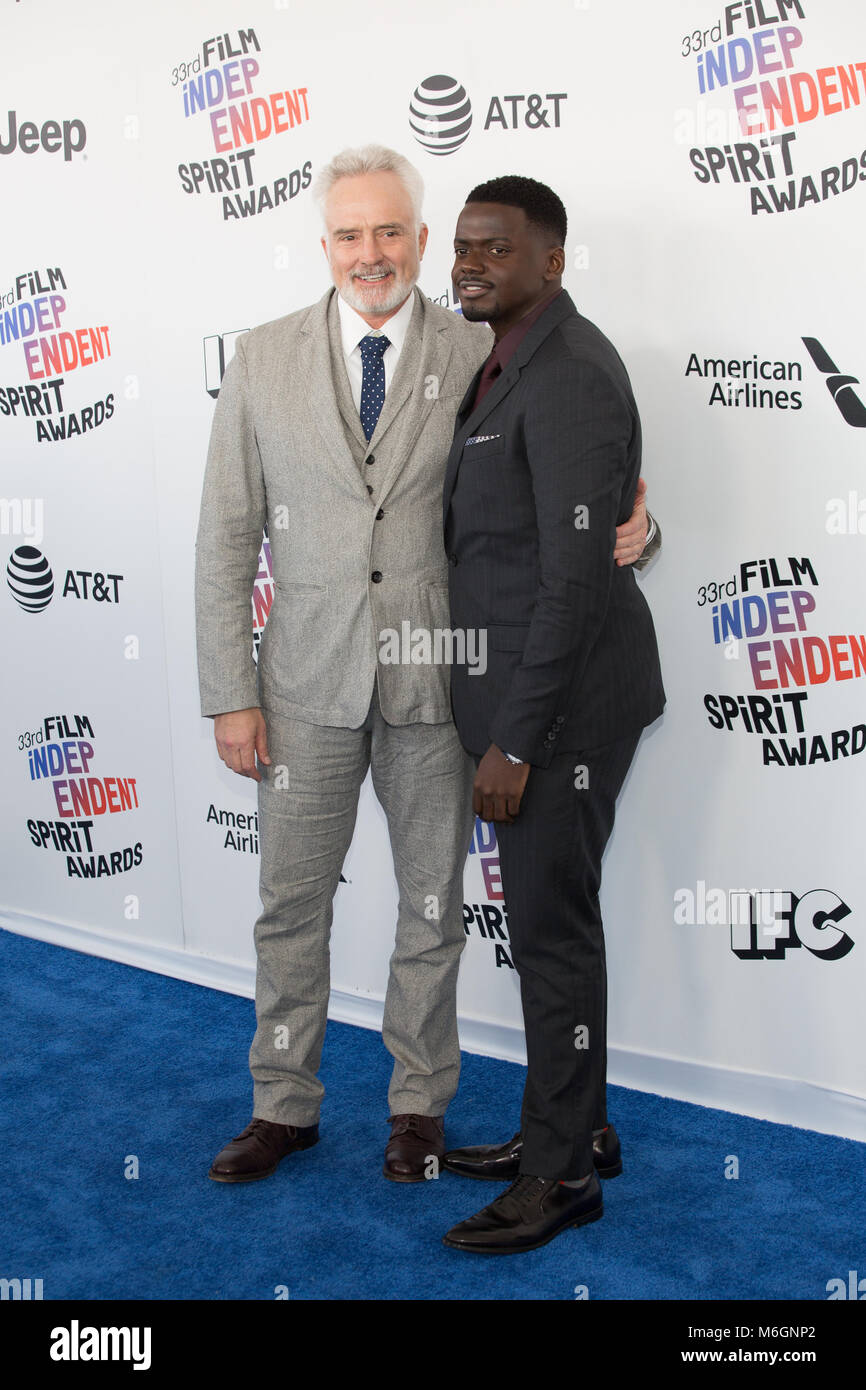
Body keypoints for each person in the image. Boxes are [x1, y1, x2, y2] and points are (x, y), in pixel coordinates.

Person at [194, 146, 656, 1189]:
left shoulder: (481, 346)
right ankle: (283, 1104)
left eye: (392, 231)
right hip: (300, 682)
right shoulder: (261, 358)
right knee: (287, 904)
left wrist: (638, 521)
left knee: (430, 910)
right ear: (325, 245)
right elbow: (226, 535)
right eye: (351, 234)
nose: (373, 253)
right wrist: (230, 689)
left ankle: (418, 1108)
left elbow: (562, 494)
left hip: (440, 680)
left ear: (417, 235)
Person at [440, 176, 665, 1254]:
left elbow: (572, 581)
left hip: (559, 711)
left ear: (550, 260)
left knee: (550, 938)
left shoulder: (566, 371)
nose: (469, 264)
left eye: (495, 248)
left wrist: (515, 739)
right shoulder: (508, 357)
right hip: (534, 694)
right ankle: (573, 1127)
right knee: (550, 933)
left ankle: (562, 1172)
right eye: (462, 246)